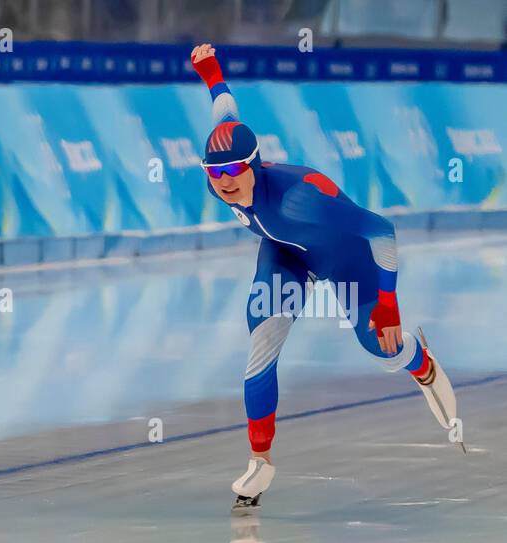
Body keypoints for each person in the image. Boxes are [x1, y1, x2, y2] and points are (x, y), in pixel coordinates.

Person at [191, 43, 460, 512]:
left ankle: (420, 362)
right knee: (263, 339)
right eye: (215, 173)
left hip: (344, 258)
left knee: (382, 350)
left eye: (235, 170)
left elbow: (382, 230)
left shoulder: (300, 202)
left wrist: (388, 305)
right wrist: (211, 70)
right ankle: (260, 461)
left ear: (253, 165)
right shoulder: (224, 169)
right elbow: (225, 108)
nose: (225, 181)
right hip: (285, 251)